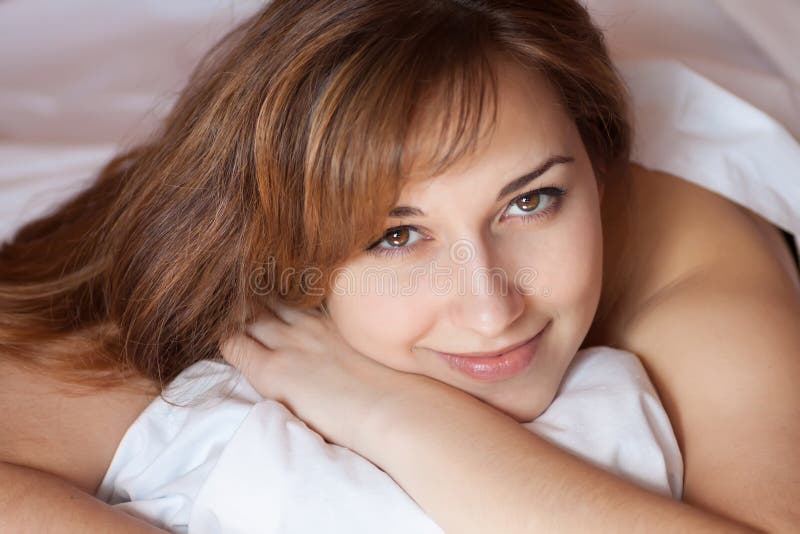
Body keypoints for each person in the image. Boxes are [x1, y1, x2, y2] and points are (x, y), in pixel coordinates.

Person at [0, 1, 798, 532]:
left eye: (531, 203)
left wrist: (389, 413)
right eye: (393, 237)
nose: (491, 309)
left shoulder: (690, 253)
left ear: (594, 166)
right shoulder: (223, 266)